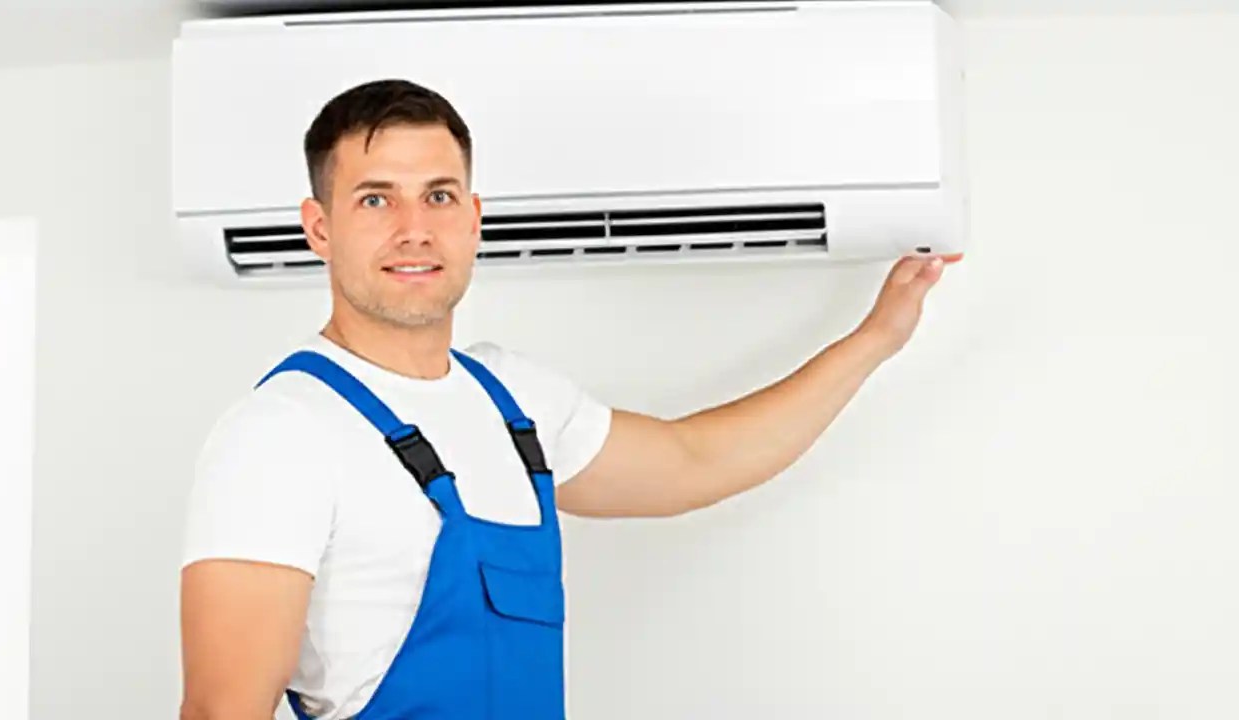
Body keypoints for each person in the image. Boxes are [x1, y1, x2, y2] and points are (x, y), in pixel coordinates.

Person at [178, 78, 962, 720]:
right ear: (319, 228)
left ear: (474, 218)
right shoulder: (283, 434)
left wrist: (876, 339)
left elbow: (698, 460)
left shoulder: (510, 399)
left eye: (440, 196)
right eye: (376, 200)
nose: (414, 230)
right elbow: (222, 712)